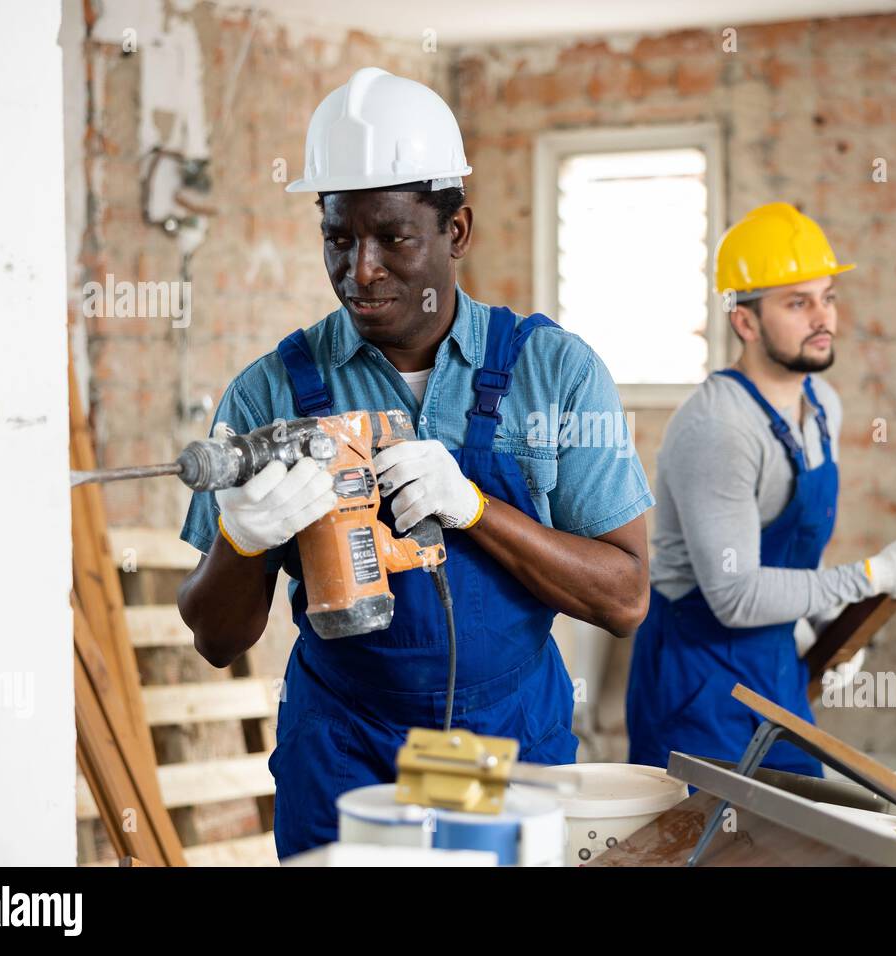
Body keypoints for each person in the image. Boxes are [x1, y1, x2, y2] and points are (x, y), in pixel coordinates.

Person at [176, 68, 654, 858]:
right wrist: (245, 539)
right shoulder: (269, 393)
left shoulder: (554, 372)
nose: (360, 270)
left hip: (508, 751)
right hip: (343, 753)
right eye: (338, 237)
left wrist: (474, 507)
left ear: (456, 231)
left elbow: (626, 597)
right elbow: (215, 639)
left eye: (393, 237)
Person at [625, 202, 896, 777]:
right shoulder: (719, 429)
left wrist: (821, 624)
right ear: (745, 322)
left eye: (827, 297)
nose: (822, 318)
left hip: (772, 660)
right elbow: (733, 596)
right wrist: (871, 578)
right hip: (697, 678)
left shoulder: (822, 406)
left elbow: (787, 555)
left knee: (798, 834)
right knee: (704, 845)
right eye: (797, 303)